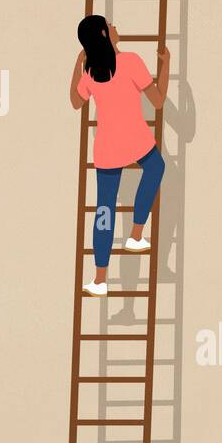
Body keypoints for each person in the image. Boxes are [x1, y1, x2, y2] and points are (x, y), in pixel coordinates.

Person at [69, 15, 171, 297]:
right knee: (156, 167)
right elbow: (159, 100)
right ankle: (136, 235)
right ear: (104, 33)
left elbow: (75, 102)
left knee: (104, 211)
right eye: (111, 25)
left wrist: (78, 64)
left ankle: (100, 279)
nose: (115, 26)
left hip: (107, 150)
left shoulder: (90, 72)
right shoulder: (131, 62)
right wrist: (166, 65)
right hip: (136, 141)